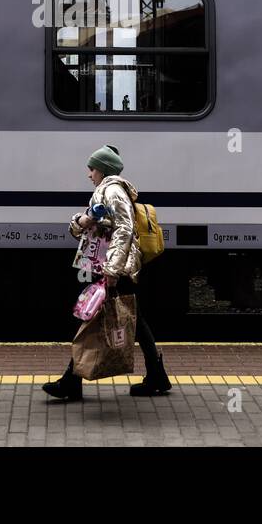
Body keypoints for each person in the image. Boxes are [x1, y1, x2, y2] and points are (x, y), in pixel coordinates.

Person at [42, 144, 172, 401]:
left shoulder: (113, 191)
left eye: (91, 169)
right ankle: (157, 375)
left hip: (114, 267)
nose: (89, 174)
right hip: (109, 265)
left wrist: (112, 270)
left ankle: (72, 380)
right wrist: (84, 220)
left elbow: (124, 229)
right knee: (133, 319)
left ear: (102, 169)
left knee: (93, 316)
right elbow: (85, 228)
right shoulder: (105, 191)